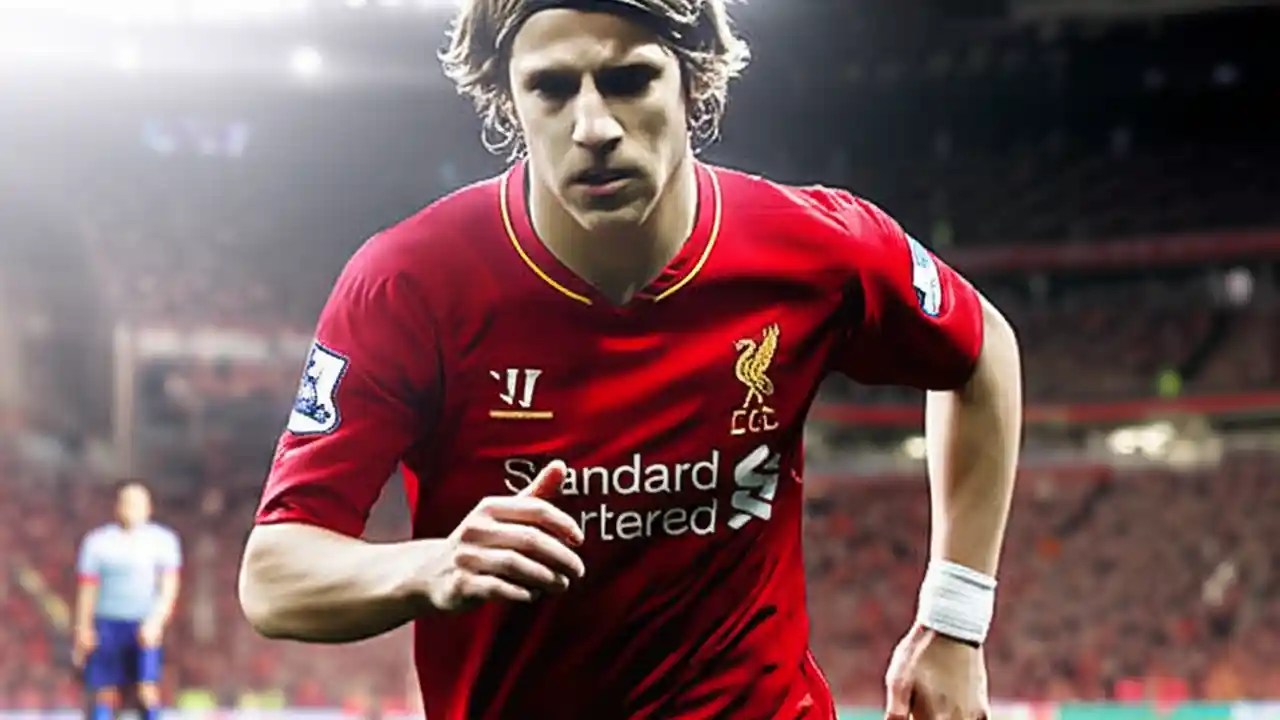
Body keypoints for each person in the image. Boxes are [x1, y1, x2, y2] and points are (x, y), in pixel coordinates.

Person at [238, 1, 1023, 718]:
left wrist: (955, 620)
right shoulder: (408, 284)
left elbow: (982, 353)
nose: (593, 126)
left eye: (628, 80)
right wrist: (429, 568)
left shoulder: (820, 249)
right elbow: (275, 575)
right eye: (550, 88)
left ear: (693, 84)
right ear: (510, 102)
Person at [74, 480, 182, 720]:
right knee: (105, 692)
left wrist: (156, 621)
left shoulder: (163, 541)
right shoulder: (97, 542)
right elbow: (88, 589)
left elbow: (169, 587)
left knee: (146, 688)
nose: (131, 508)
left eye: (137, 503)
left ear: (148, 507)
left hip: (143, 624)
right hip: (107, 624)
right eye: (126, 503)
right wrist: (83, 628)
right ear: (117, 507)